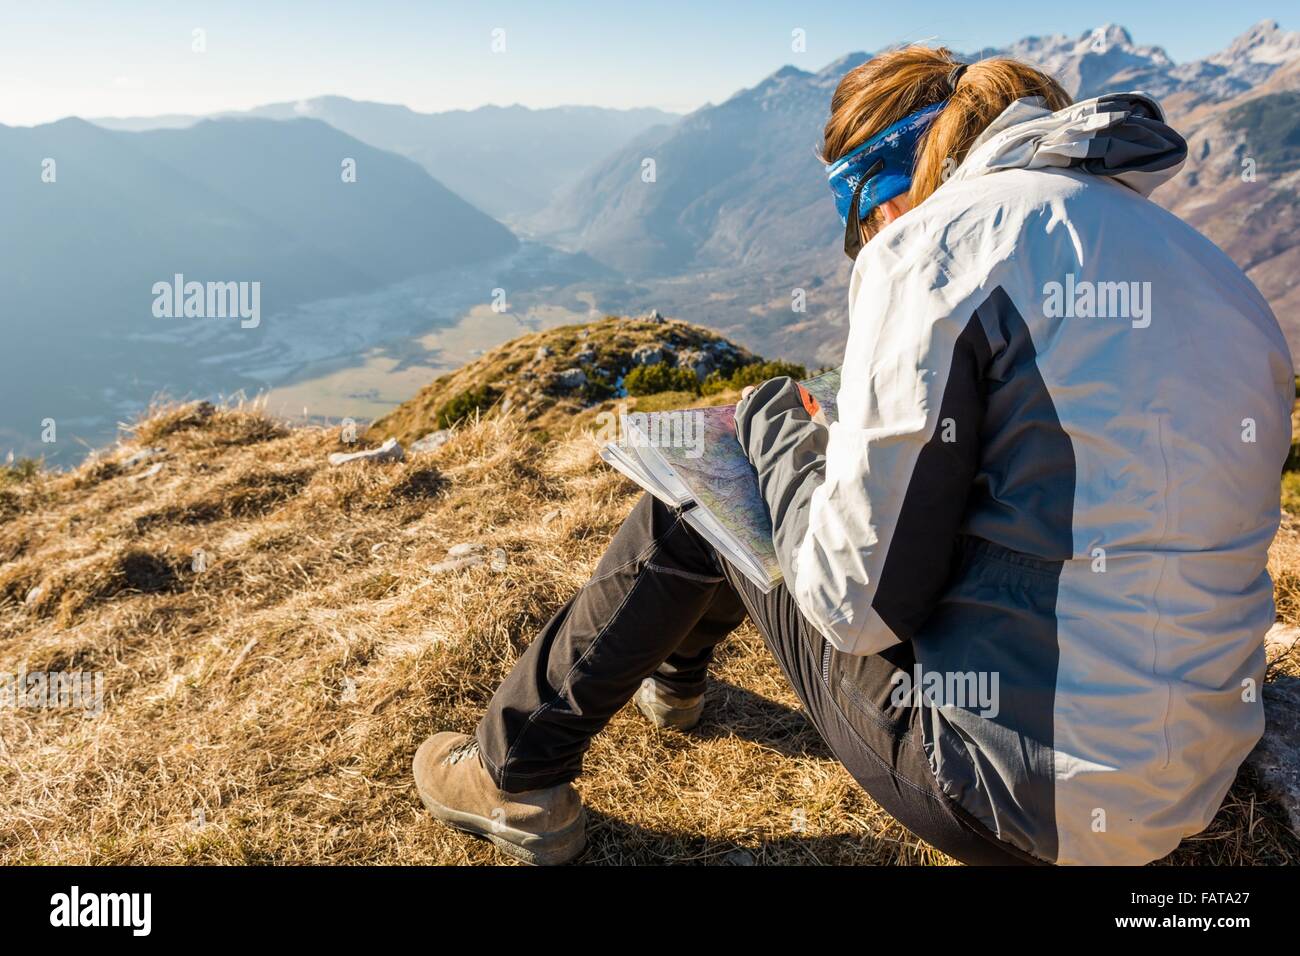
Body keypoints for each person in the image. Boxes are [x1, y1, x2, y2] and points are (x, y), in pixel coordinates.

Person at [411, 45, 1293, 866]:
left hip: (1021, 796)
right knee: (797, 468)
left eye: (858, 213)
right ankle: (673, 679)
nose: (861, 242)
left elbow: (855, 606)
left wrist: (771, 430)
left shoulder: (942, 243)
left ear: (890, 181)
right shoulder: (1205, 268)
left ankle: (511, 772)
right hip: (1192, 772)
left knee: (705, 475)